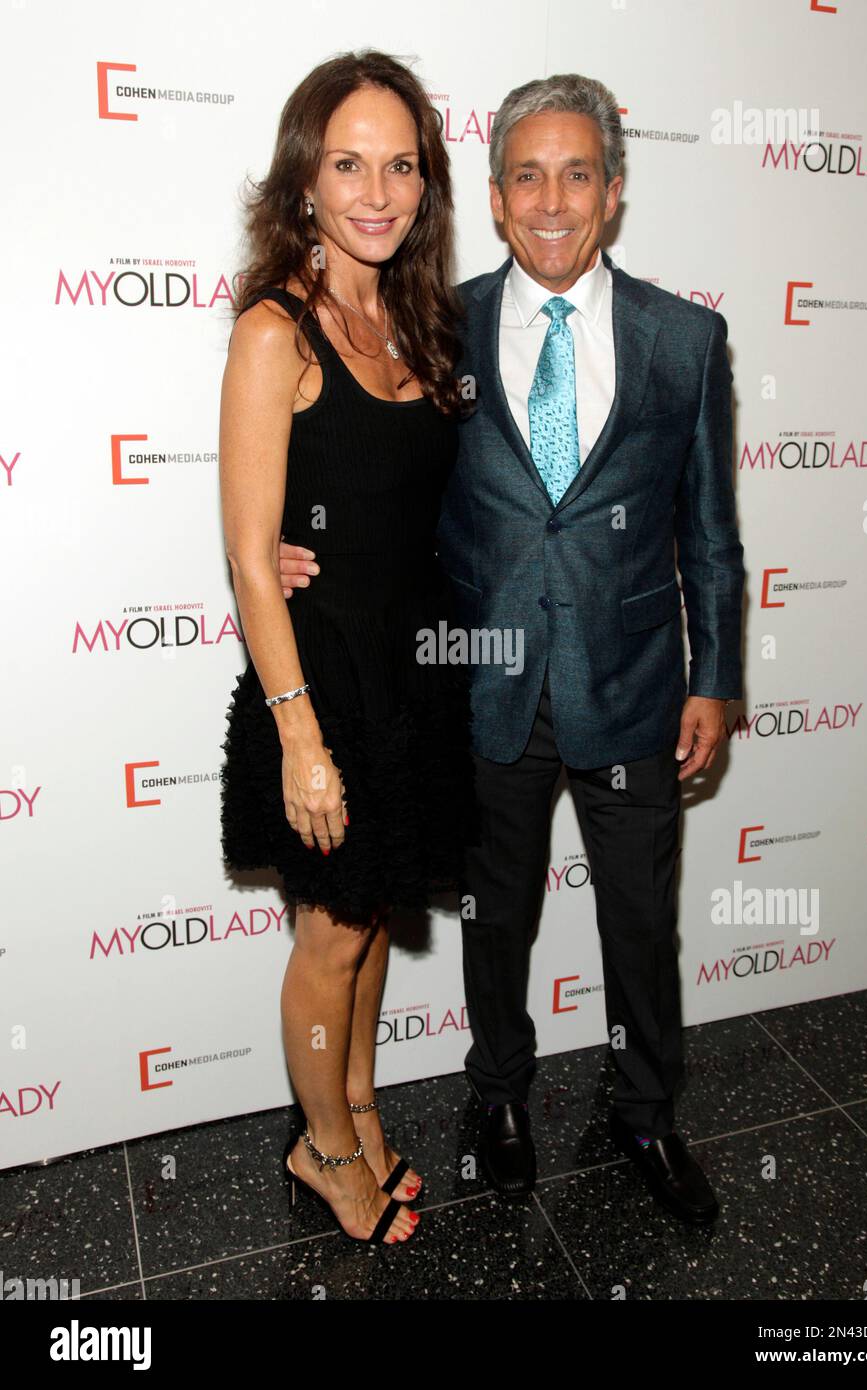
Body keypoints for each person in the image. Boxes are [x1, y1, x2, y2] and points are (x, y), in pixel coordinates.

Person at [278, 73, 744, 1225]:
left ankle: (643, 1109)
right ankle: (497, 1099)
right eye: (525, 175)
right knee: (498, 918)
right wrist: (301, 539)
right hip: (479, 687)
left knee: (639, 924)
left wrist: (717, 679)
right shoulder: (436, 329)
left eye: (576, 173)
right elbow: (372, 468)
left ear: (613, 192)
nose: (550, 199)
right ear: (491, 198)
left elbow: (713, 533)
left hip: (635, 689)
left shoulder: (684, 340)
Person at [218, 50, 476, 1246]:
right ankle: (321, 1151)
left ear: (425, 183)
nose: (377, 190)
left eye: (401, 165)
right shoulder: (276, 330)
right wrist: (300, 738)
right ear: (304, 181)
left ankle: (359, 1105)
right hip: (324, 682)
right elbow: (248, 555)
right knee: (332, 934)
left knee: (370, 917)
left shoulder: (417, 315)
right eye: (348, 163)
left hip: (412, 672)